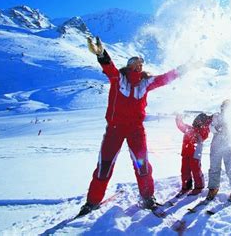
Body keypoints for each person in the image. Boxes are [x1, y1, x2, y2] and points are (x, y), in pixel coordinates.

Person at [78, 36, 190, 216]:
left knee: (142, 165)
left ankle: (147, 197)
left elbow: (164, 78)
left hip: (136, 131)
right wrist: (101, 54)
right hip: (115, 130)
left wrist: (185, 68)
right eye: (135, 63)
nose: (139, 66)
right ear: (129, 66)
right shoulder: (119, 79)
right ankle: (92, 202)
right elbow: (109, 68)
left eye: (141, 64)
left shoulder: (145, 83)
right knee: (104, 166)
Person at [206, 100, 231, 202]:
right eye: (223, 107)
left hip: (228, 145)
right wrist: (217, 128)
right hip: (216, 145)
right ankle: (213, 187)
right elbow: (211, 127)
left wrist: (228, 127)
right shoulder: (216, 116)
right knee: (214, 167)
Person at [175, 113, 212, 196]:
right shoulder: (189, 128)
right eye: (196, 120)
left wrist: (207, 122)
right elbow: (180, 125)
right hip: (185, 153)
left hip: (195, 153)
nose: (197, 122)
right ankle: (186, 186)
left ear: (203, 122)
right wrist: (178, 118)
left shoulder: (203, 131)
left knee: (196, 170)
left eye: (200, 121)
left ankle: (199, 187)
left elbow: (204, 135)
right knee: (184, 170)